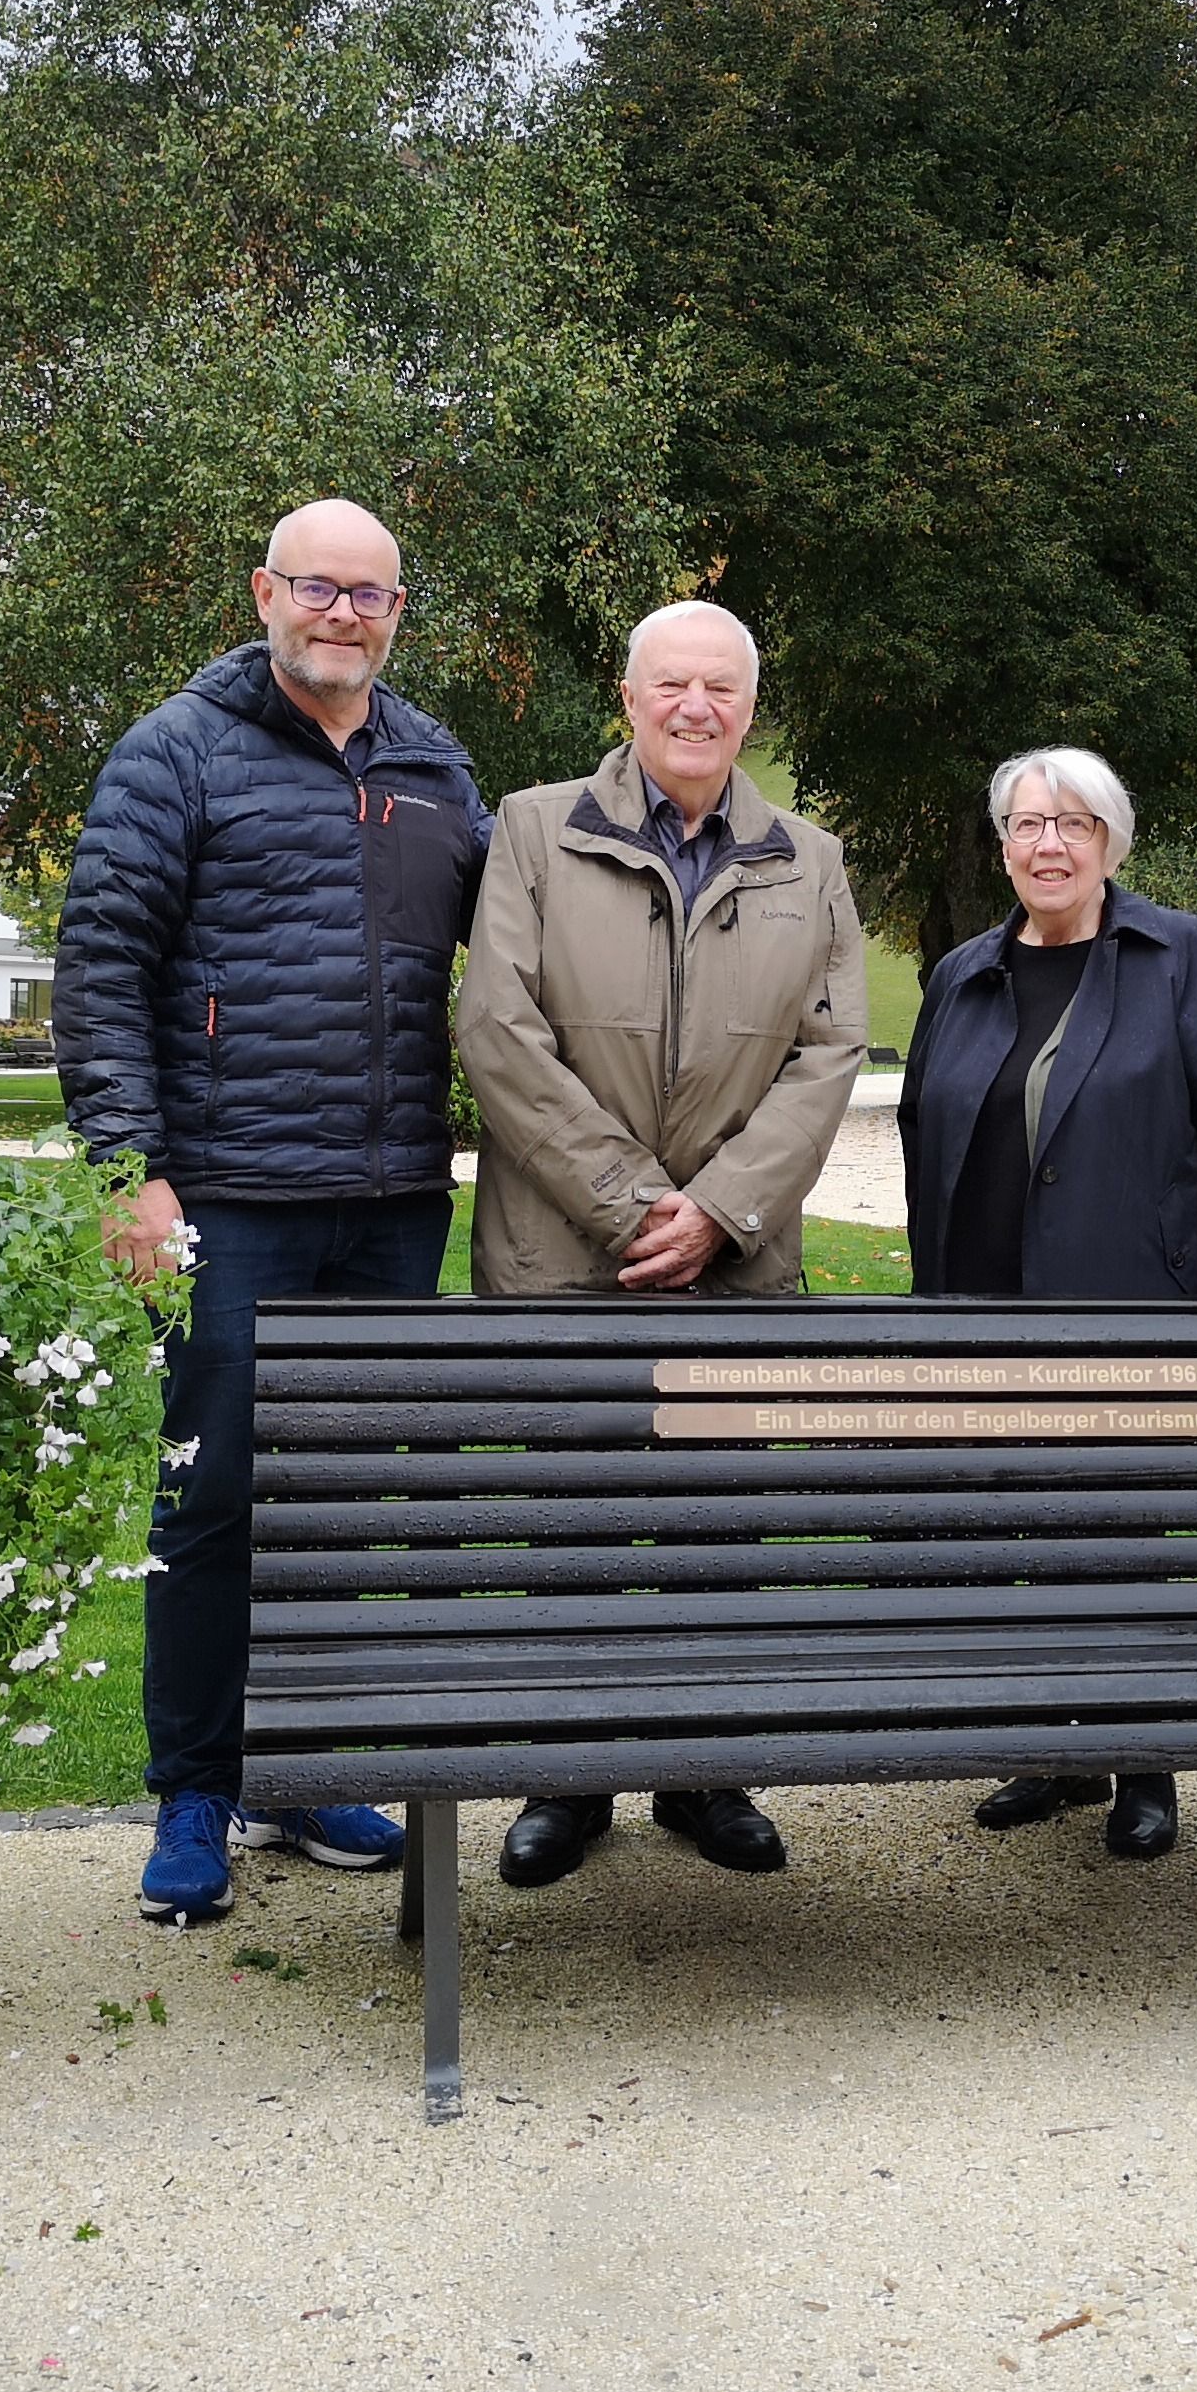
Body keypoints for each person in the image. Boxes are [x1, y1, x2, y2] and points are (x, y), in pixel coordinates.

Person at [54, 498, 490, 1926]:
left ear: (397, 613)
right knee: (216, 1491)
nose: (344, 614)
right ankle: (195, 1785)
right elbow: (103, 968)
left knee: (345, 1499)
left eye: (371, 594)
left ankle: (299, 1768)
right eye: (320, 588)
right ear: (267, 593)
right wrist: (132, 1169)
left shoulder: (435, 768)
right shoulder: (174, 751)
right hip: (230, 1195)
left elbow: (533, 941)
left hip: (391, 1199)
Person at [457, 599, 870, 1889]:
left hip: (739, 1266)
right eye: (670, 685)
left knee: (719, 1531)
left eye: (722, 689)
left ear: (751, 708)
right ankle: (566, 1780)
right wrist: (637, 1204)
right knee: (572, 1528)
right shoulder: (533, 829)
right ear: (628, 700)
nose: (696, 708)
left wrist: (723, 1210)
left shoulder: (812, 858)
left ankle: (708, 1770)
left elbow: (830, 1052)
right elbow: (497, 1029)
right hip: (562, 1255)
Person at [899, 746, 1197, 1861]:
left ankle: (1144, 1759)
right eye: (1029, 825)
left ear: (1112, 842)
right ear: (1003, 844)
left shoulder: (1177, 957)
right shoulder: (962, 975)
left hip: (1128, 1290)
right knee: (1027, 1522)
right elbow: (922, 1135)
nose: (1050, 845)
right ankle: (1056, 1747)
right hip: (984, 1297)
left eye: (1075, 824)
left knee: (1124, 1529)